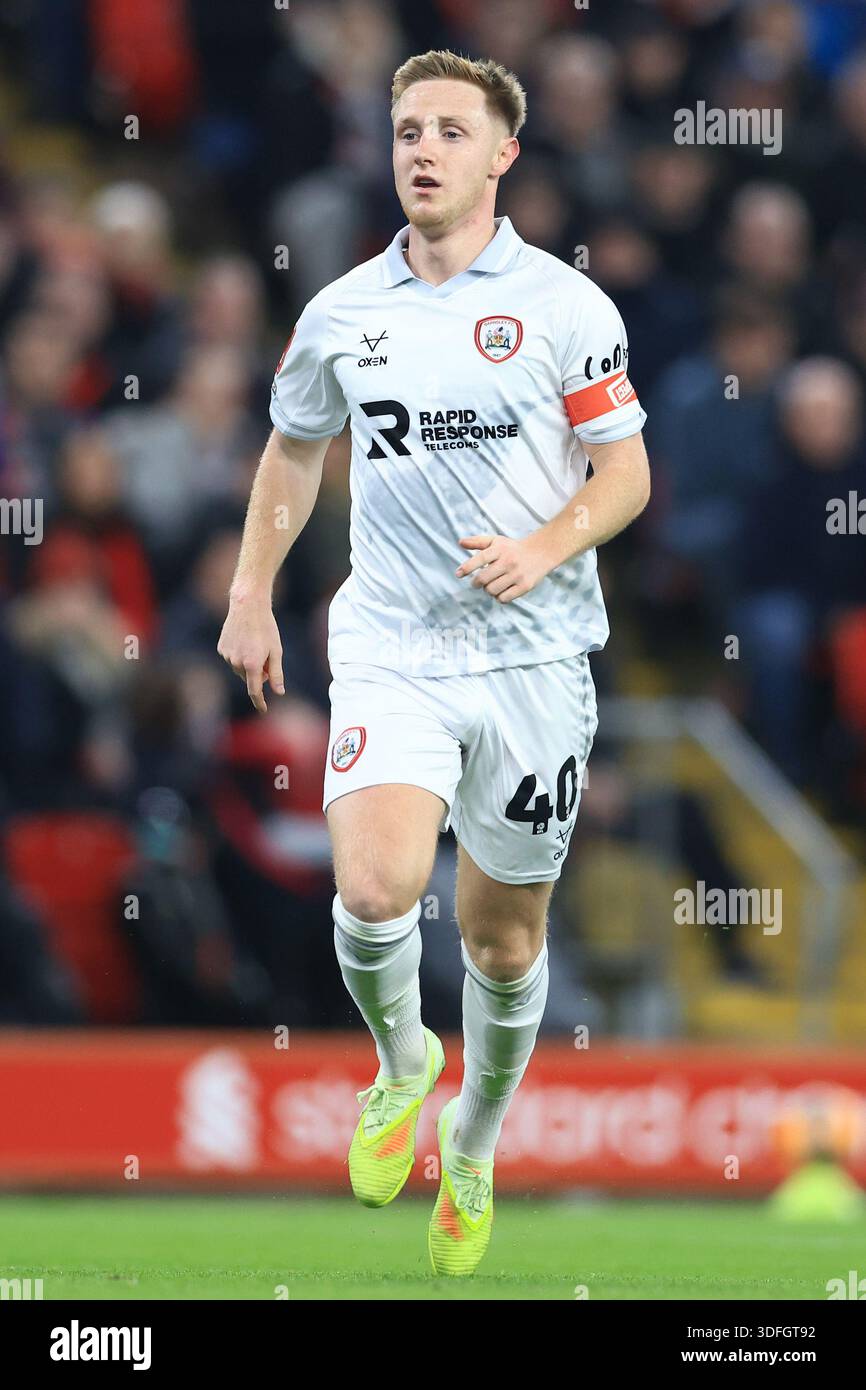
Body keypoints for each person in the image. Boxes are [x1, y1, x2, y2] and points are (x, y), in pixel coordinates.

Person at [217, 49, 649, 1276]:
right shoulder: (342, 310)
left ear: (502, 154)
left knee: (504, 944)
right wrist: (251, 592)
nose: (423, 150)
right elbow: (293, 450)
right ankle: (403, 1064)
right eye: (408, 129)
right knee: (372, 887)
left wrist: (542, 542)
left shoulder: (567, 307)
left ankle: (473, 1140)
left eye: (452, 132)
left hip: (533, 658)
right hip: (393, 645)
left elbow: (624, 474)